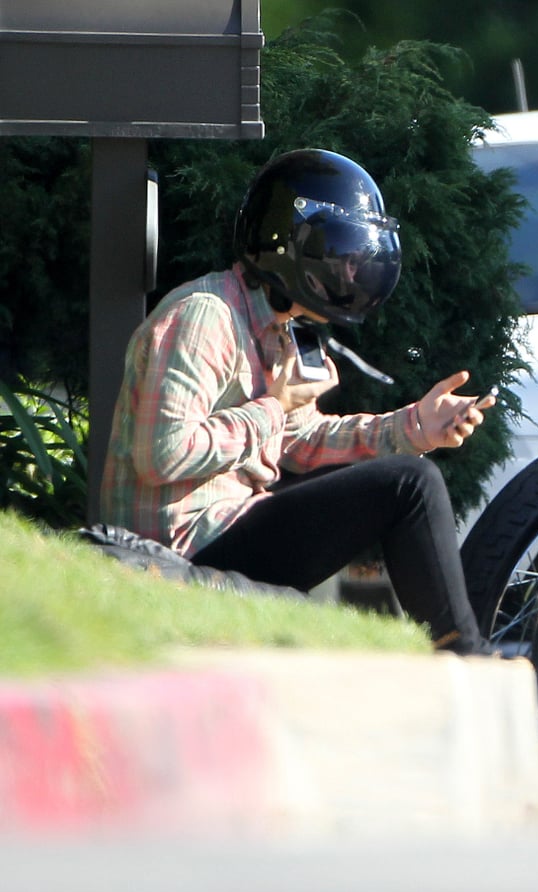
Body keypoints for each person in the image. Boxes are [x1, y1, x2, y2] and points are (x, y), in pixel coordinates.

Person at [100, 148, 494, 655]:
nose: (353, 276)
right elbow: (162, 453)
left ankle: (463, 656)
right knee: (411, 486)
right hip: (183, 549)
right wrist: (273, 405)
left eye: (359, 262)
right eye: (343, 259)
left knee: (409, 478)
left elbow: (300, 442)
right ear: (292, 248)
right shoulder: (204, 318)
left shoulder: (278, 327)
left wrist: (415, 427)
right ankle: (470, 660)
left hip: (231, 529)